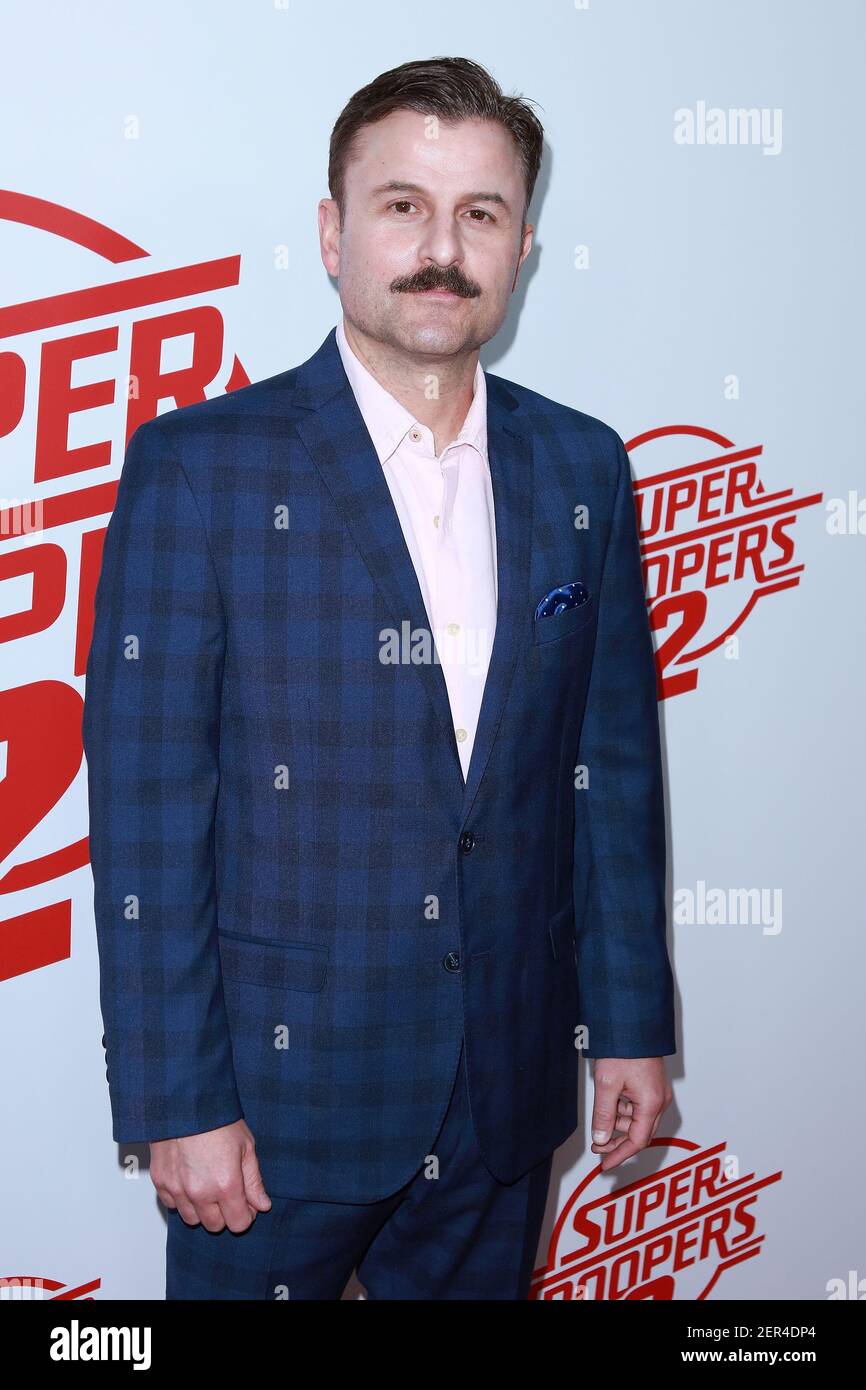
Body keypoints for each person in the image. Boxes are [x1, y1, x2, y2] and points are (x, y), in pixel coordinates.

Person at [82, 55, 676, 1301]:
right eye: (401, 205)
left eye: (480, 213)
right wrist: (176, 1096)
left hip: (505, 1096)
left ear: (520, 247)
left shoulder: (580, 468)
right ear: (332, 232)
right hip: (273, 1111)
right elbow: (145, 813)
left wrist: (625, 1024)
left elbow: (605, 781)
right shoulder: (200, 469)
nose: (439, 248)